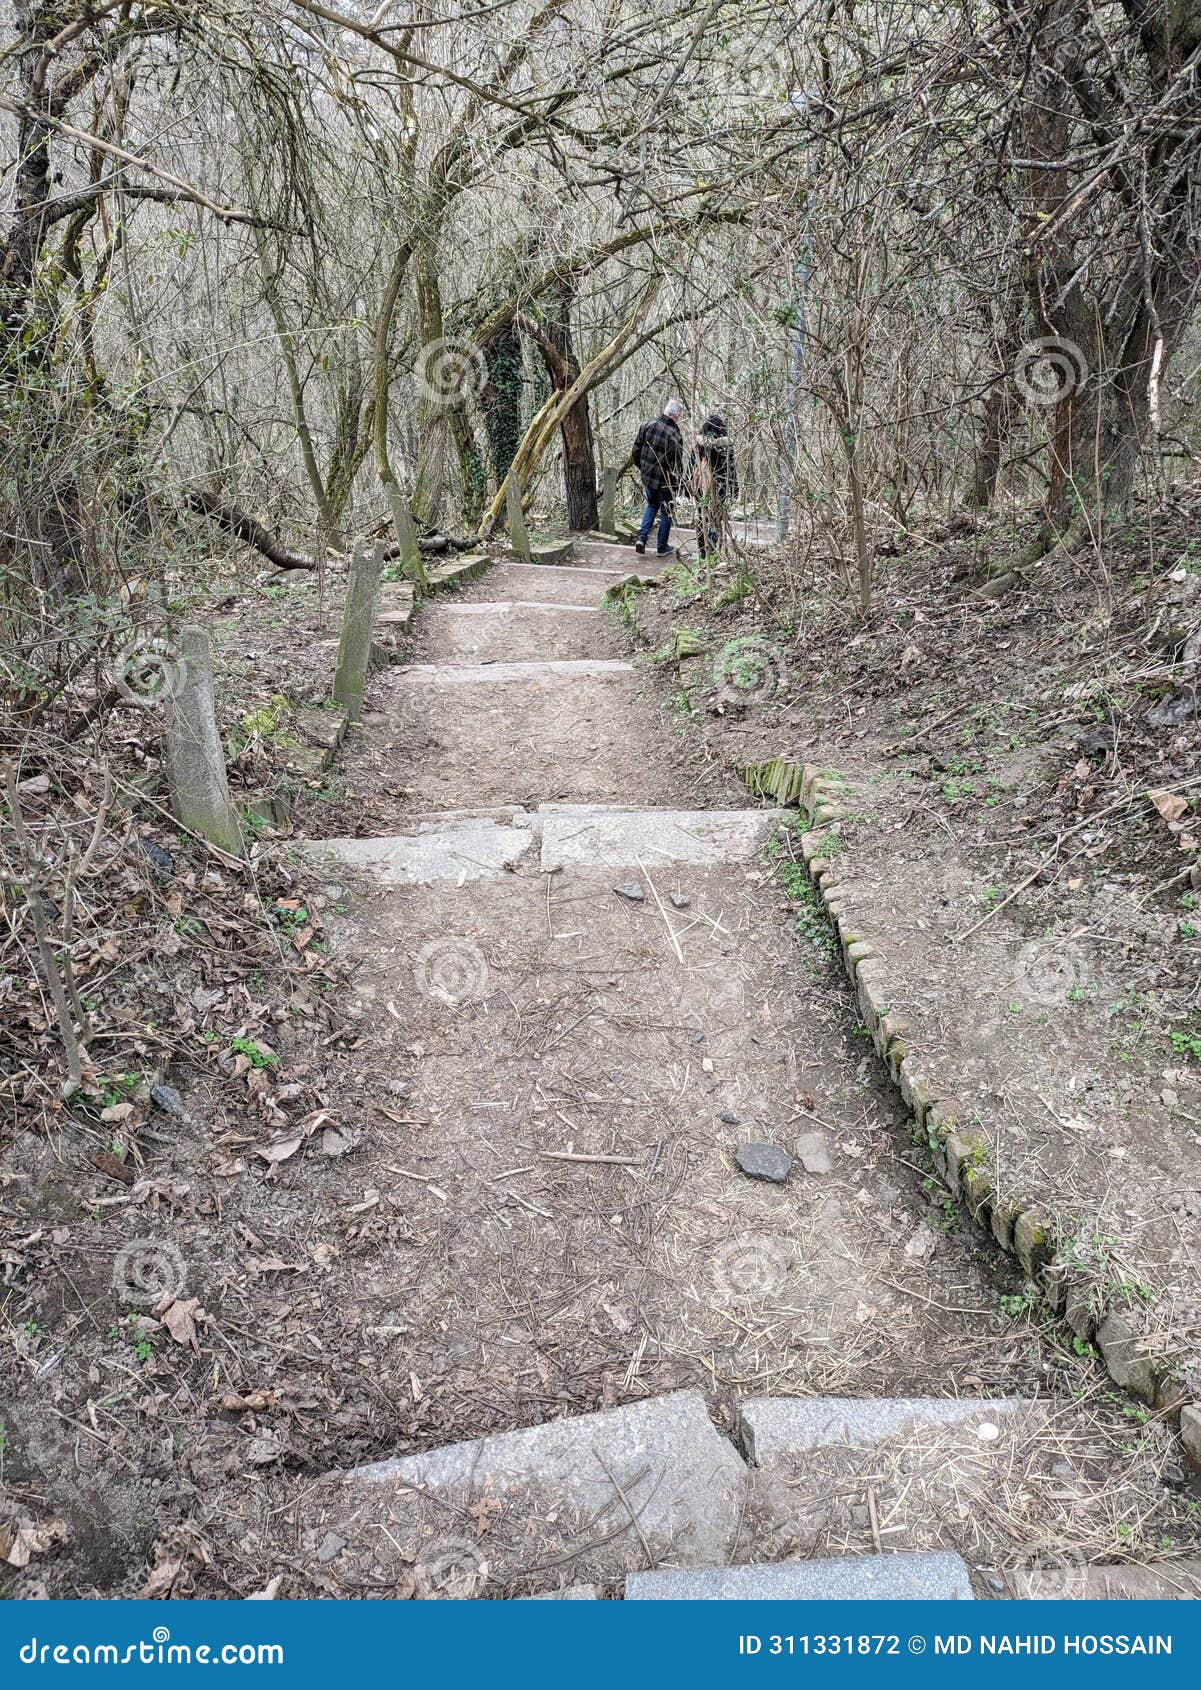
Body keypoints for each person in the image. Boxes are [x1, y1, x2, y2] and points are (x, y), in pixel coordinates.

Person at [631, 398, 685, 556]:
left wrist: (643, 469)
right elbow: (676, 464)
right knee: (666, 512)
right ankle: (662, 547)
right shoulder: (674, 434)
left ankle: (641, 538)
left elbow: (635, 452)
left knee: (652, 505)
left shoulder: (647, 425)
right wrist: (678, 482)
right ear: (676, 415)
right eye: (680, 414)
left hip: (648, 477)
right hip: (665, 481)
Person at [690, 413, 738, 562]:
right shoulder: (726, 446)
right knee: (716, 518)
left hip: (701, 488)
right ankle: (711, 546)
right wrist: (734, 489)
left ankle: (703, 551)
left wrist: (687, 487)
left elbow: (692, 466)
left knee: (701, 517)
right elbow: (730, 469)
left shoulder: (699, 445)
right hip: (720, 487)